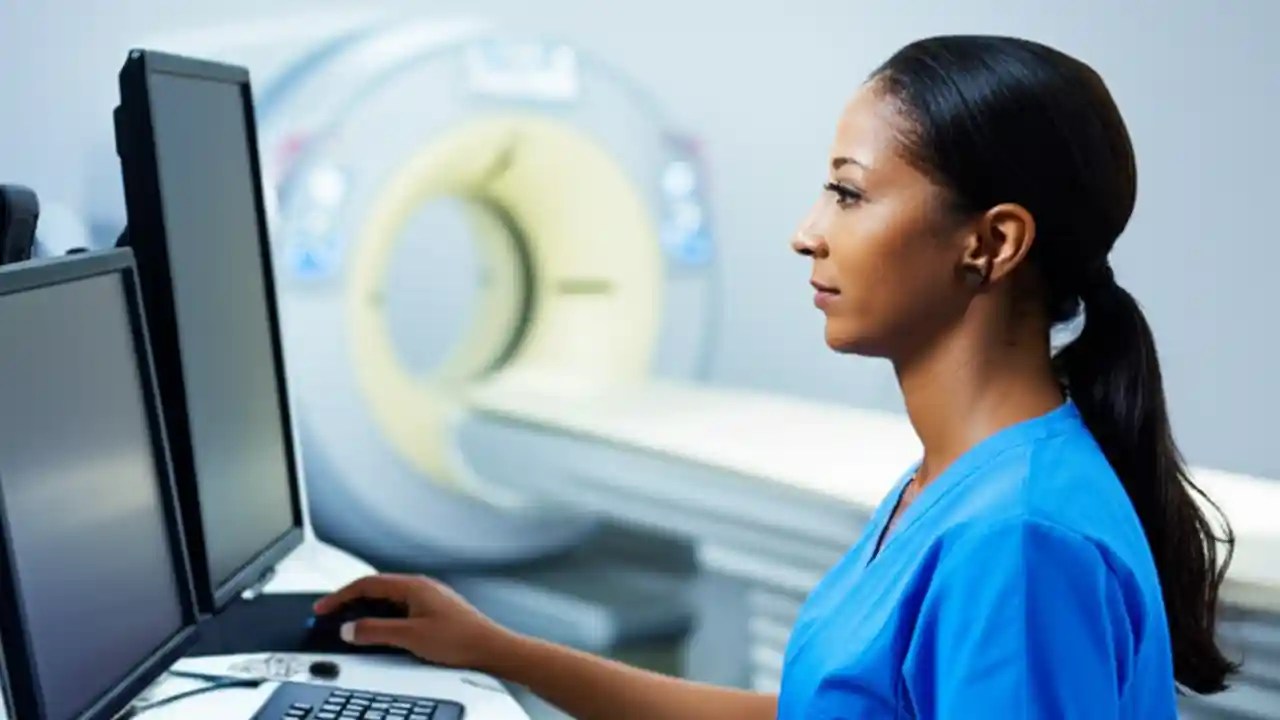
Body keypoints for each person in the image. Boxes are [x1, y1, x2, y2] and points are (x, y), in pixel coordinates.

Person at [314, 34, 1237, 718]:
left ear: (990, 243)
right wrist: (499, 652)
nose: (807, 232)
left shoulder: (1017, 542)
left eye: (848, 192)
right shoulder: (949, 481)